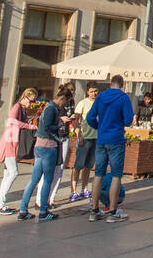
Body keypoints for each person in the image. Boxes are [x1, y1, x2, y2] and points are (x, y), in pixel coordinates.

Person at [18, 87, 72, 221]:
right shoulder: (51, 108)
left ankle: (23, 209)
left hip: (40, 146)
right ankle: (43, 210)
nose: (64, 105)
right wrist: (61, 122)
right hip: (48, 146)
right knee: (47, 179)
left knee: (34, 179)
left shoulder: (48, 107)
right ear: (62, 99)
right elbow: (47, 127)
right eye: (65, 102)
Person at [87, 74, 134, 222]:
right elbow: (128, 120)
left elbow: (89, 118)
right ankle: (113, 212)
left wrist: (99, 127)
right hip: (116, 139)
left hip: (101, 139)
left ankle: (94, 210)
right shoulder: (123, 98)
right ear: (122, 84)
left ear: (110, 84)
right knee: (116, 174)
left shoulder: (100, 97)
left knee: (98, 174)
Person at [0, 88, 36, 214]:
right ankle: (0, 205)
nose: (31, 104)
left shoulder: (22, 109)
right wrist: (28, 126)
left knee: (7, 174)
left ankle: (1, 204)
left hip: (12, 142)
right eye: (31, 101)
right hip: (10, 142)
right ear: (25, 97)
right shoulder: (16, 107)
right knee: (14, 173)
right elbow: (12, 121)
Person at [48, 82, 76, 208]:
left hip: (64, 135)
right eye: (70, 91)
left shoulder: (71, 103)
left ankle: (52, 197)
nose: (72, 94)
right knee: (49, 169)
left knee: (60, 168)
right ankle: (44, 197)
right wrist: (62, 119)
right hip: (55, 137)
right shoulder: (54, 106)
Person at [70, 84, 99, 202]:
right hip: (85, 138)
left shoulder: (99, 104)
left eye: (96, 91)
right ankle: (73, 190)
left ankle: (84, 188)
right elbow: (76, 121)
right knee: (78, 165)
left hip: (96, 138)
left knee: (88, 166)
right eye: (92, 91)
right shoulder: (82, 103)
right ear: (87, 92)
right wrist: (79, 134)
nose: (94, 93)